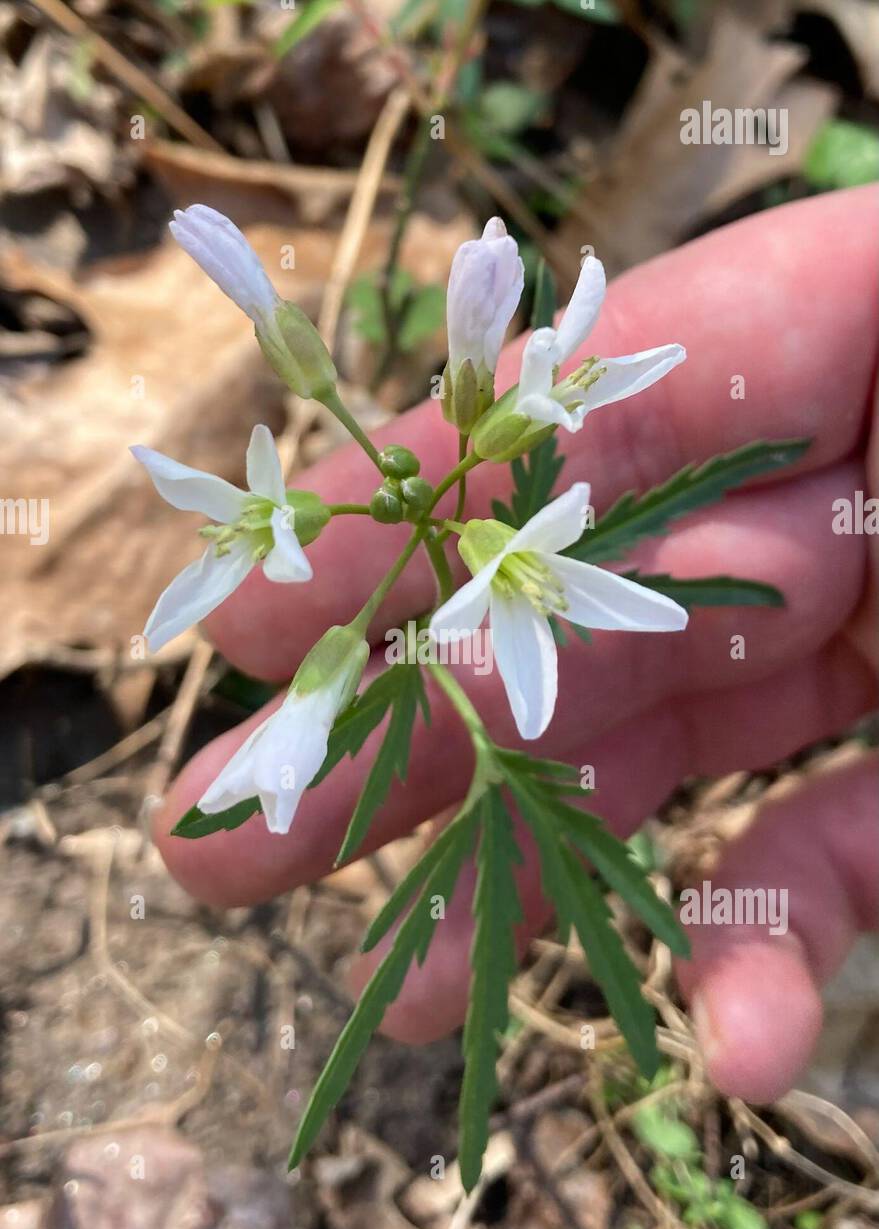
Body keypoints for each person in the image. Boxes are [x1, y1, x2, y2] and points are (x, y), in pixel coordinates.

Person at [153, 185, 879, 1106]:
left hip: (516, 547)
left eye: (260, 520)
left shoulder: (500, 501)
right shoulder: (420, 516)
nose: (563, 391)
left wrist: (503, 552)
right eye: (260, 524)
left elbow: (512, 603)